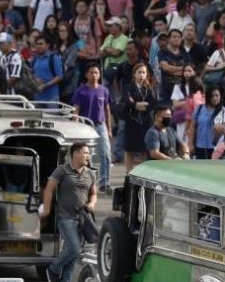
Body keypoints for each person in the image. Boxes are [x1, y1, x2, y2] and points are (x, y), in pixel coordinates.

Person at [40, 143, 96, 282]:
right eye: (85, 152)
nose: (88, 155)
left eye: (89, 153)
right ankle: (53, 269)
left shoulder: (90, 173)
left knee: (74, 256)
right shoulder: (62, 170)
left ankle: (65, 280)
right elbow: (49, 189)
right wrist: (46, 209)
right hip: (66, 218)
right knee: (75, 249)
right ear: (75, 154)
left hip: (83, 219)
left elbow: (94, 194)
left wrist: (92, 203)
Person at [72, 64, 113, 194]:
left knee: (106, 154)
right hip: (86, 126)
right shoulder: (81, 91)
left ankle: (105, 183)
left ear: (99, 75)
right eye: (91, 73)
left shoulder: (104, 91)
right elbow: (76, 110)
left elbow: (107, 110)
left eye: (96, 73)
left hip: (100, 126)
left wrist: (109, 129)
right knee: (85, 156)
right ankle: (84, 182)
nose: (94, 75)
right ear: (86, 75)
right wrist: (76, 124)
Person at [121, 63, 156, 172]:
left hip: (145, 121)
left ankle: (142, 172)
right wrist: (136, 105)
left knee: (144, 149)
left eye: (144, 72)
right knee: (129, 148)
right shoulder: (128, 87)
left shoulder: (149, 89)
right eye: (139, 72)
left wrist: (142, 106)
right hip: (131, 121)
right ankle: (128, 171)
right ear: (134, 74)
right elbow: (127, 101)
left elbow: (153, 103)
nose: (141, 75)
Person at [32, 36, 64, 102]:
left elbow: (60, 76)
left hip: (52, 96)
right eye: (37, 44)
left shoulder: (54, 58)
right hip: (38, 96)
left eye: (41, 44)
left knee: (51, 113)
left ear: (47, 45)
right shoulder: (34, 59)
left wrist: (46, 85)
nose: (38, 46)